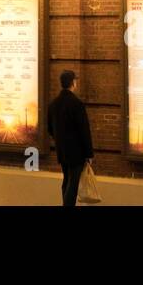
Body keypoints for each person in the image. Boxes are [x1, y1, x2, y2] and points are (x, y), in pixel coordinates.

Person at [47, 70, 94, 206]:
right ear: (73, 83)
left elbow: (49, 128)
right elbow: (84, 130)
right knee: (73, 184)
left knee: (67, 180)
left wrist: (59, 140)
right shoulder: (77, 104)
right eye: (75, 80)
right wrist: (89, 153)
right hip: (77, 152)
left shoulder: (53, 104)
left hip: (62, 150)